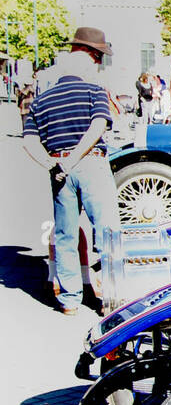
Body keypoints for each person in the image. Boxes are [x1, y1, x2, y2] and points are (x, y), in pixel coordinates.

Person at [22, 26, 121, 315]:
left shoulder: (41, 101)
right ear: (90, 59)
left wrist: (54, 163)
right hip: (90, 162)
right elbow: (98, 126)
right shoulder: (94, 91)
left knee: (65, 234)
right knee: (107, 232)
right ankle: (111, 300)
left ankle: (69, 300)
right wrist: (75, 158)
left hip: (58, 169)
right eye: (99, 59)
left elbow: (29, 141)